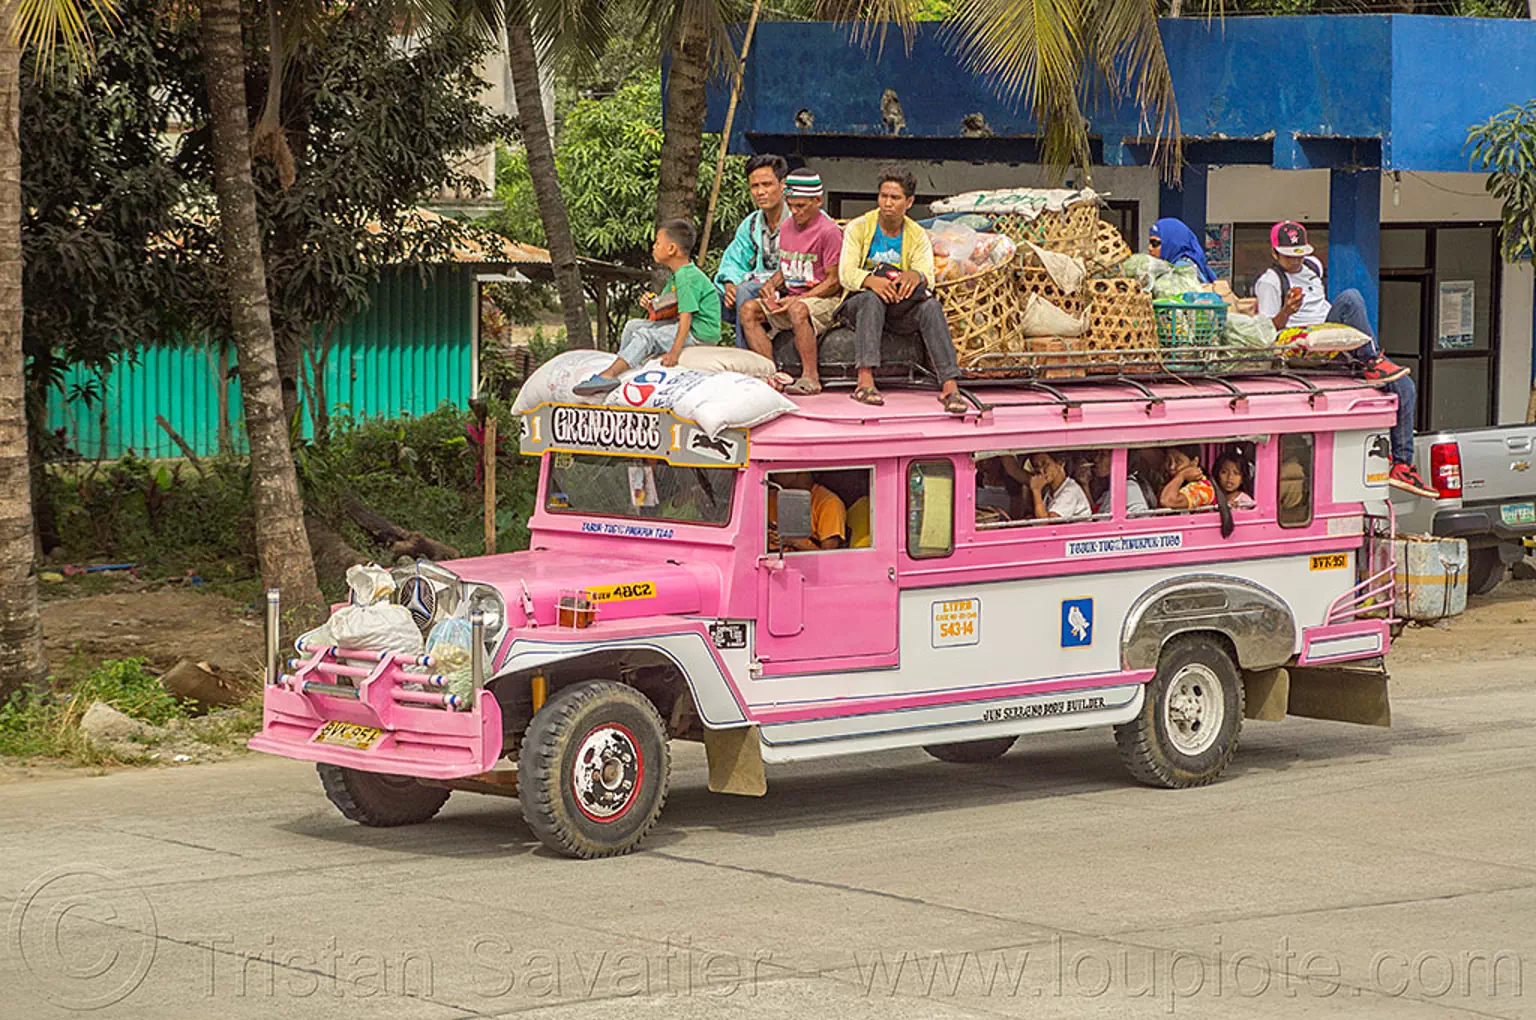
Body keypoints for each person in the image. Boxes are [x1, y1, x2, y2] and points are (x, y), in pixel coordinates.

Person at [1254, 221, 1436, 498]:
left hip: (1332, 336)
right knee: (1351, 298)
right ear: (1275, 254)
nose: (1295, 260)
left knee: (1405, 387)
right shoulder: (1270, 281)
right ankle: (1372, 360)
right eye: (1289, 255)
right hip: (1304, 347)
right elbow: (1268, 334)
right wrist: (1287, 311)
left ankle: (1402, 464)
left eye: (1299, 253)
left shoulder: (1313, 266)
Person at [836, 164, 966, 414]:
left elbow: (928, 275)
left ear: (909, 202)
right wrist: (871, 281)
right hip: (859, 305)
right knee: (871, 299)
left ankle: (949, 386)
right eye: (883, 196)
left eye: (895, 198)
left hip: (897, 308)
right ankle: (864, 382)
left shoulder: (917, 234)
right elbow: (846, 273)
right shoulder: (859, 227)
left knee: (930, 306)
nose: (887, 203)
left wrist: (914, 276)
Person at [574, 220, 720, 396]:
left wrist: (674, 352)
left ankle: (610, 374)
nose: (654, 247)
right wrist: (651, 302)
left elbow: (686, 316)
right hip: (686, 327)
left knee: (647, 335)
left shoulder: (687, 277)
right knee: (633, 325)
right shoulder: (677, 275)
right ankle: (623, 366)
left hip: (699, 334)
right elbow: (666, 309)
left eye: (658, 243)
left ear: (672, 249)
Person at [740, 170, 844, 395]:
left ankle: (810, 377)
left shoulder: (829, 232)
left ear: (818, 201)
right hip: (792, 296)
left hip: (823, 300)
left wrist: (800, 299)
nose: (794, 212)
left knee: (797, 310)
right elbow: (787, 266)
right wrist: (772, 285)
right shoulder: (786, 226)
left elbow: (834, 281)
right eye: (791, 205)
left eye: (801, 206)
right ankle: (770, 374)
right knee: (748, 310)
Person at [715, 154, 789, 349]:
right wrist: (730, 283)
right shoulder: (751, 223)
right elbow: (733, 260)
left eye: (767, 184)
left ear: (782, 185)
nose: (760, 192)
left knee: (745, 291)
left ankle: (744, 355)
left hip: (788, 289)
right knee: (705, 293)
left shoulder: (798, 216)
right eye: (755, 186)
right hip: (755, 286)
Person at [767, 472, 846, 551]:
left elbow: (829, 557)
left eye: (779, 470)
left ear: (799, 472)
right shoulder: (766, 497)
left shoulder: (828, 503)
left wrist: (793, 541)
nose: (773, 474)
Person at [1027, 451, 1091, 521]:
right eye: (1036, 467)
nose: (1041, 471)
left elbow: (1045, 522)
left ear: (1060, 463)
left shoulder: (1070, 490)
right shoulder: (1050, 494)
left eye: (1045, 464)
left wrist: (1036, 490)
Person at [1148, 218, 1216, 284]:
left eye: (1155, 243)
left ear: (1172, 243)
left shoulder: (1183, 269)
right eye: (1150, 242)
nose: (1150, 248)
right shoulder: (1170, 265)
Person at [1088, 448, 1150, 516]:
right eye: (1097, 454)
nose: (1096, 459)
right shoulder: (1111, 488)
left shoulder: (1129, 489)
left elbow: (1141, 519)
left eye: (1103, 455)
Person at [1160, 445, 1217, 511]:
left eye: (1178, 462)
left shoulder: (1203, 488)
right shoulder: (1171, 482)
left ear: (1194, 462)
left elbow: (1167, 501)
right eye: (1168, 460)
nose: (1171, 467)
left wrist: (1181, 476)